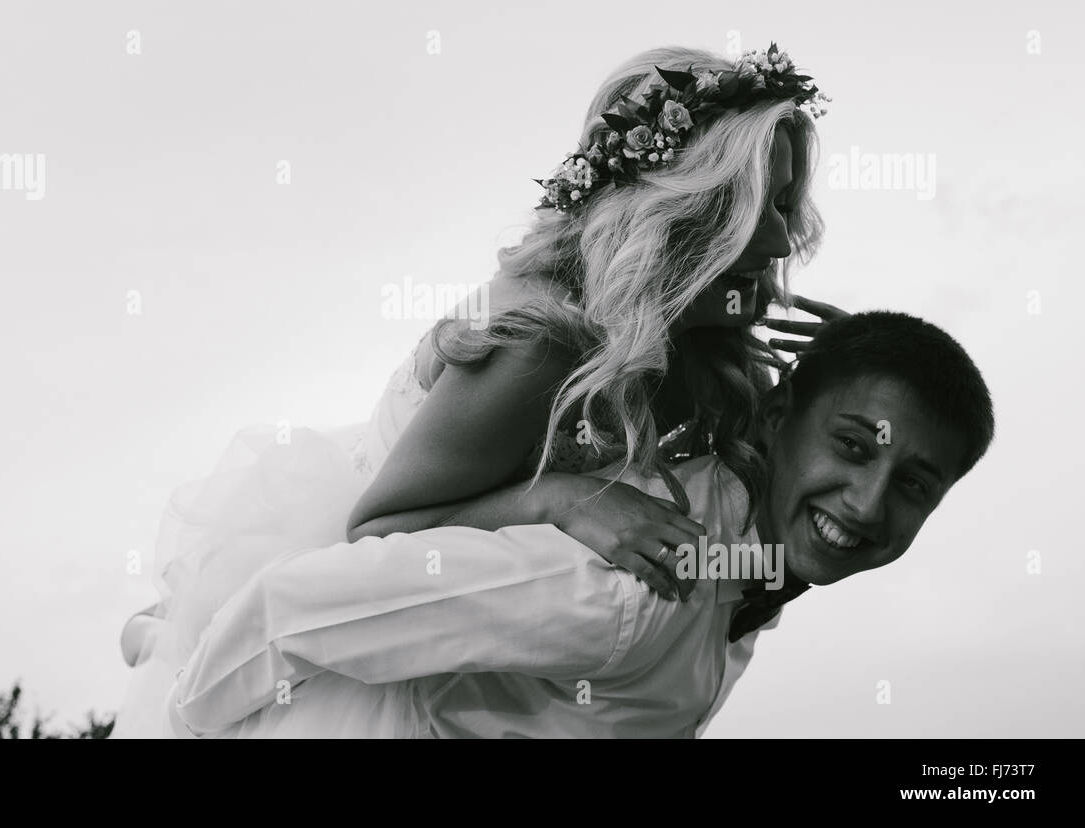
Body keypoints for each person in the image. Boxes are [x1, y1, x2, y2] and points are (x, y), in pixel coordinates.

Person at [112, 42, 835, 737]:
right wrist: (562, 499)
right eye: (753, 206)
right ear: (675, 213)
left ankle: (158, 634)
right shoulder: (540, 343)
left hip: (482, 654)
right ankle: (167, 646)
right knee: (209, 673)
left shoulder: (699, 342)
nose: (779, 242)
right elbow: (374, 534)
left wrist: (840, 385)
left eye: (782, 204)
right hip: (365, 643)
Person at [166, 311, 995, 738]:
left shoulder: (756, 558)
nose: (866, 502)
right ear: (777, 419)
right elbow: (288, 612)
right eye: (851, 446)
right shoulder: (622, 590)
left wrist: (868, 366)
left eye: (914, 485)